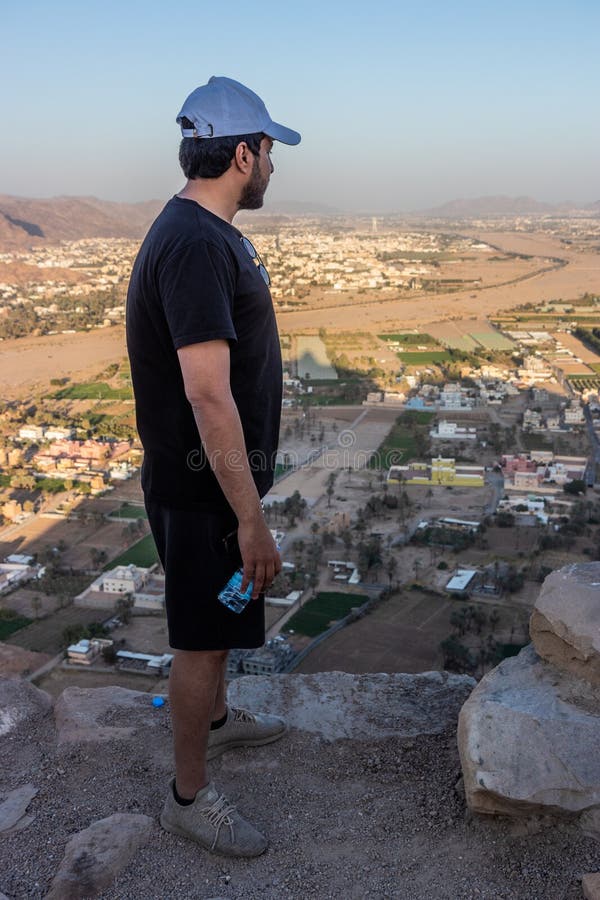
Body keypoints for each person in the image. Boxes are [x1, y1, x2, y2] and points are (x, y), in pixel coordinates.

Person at [126, 76, 301, 857]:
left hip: (210, 486)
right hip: (205, 492)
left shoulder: (201, 230)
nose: (273, 166)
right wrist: (250, 517)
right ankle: (188, 797)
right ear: (241, 154)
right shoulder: (197, 244)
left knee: (219, 626)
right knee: (201, 639)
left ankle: (221, 725)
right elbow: (207, 394)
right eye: (268, 151)